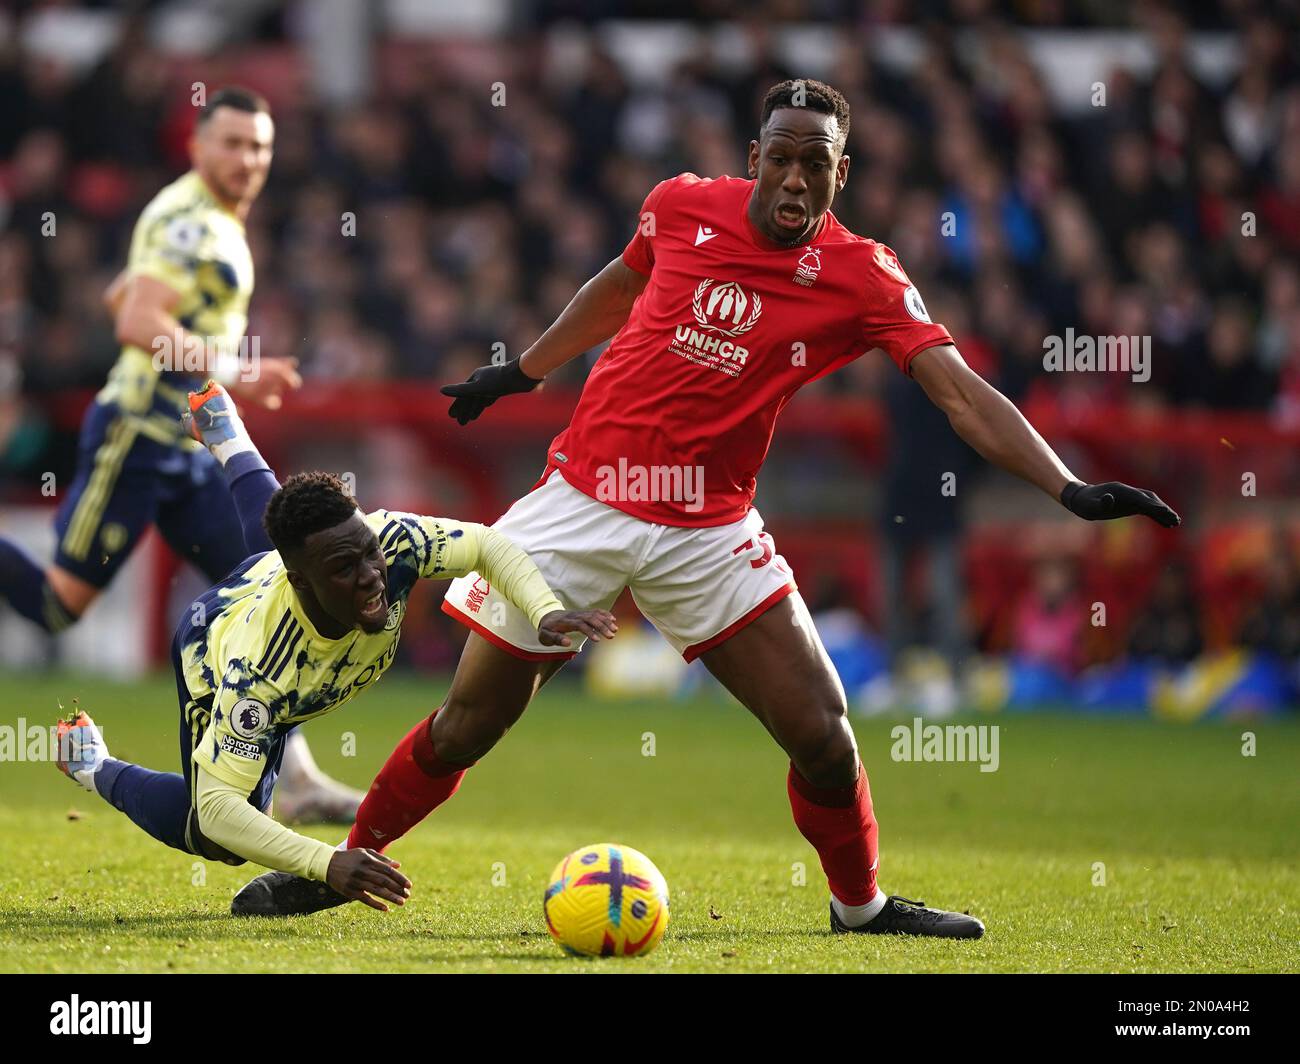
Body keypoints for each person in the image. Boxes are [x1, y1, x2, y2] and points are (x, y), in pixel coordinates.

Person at [238, 79, 1178, 937]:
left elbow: (961, 393)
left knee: (823, 731)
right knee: (465, 726)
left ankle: (862, 906)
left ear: (841, 173)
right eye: (783, 156)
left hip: (710, 527)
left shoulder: (865, 276)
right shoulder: (681, 205)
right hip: (580, 506)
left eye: (819, 162)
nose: (798, 178)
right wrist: (525, 368)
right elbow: (621, 280)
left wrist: (1066, 487)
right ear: (755, 156)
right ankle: (337, 866)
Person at [54, 382, 617, 910]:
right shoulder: (258, 674)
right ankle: (93, 765)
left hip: (286, 585)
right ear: (303, 583)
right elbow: (221, 811)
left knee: (293, 535)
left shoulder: (392, 543)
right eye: (348, 568)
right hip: (212, 635)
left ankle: (227, 434)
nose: (374, 576)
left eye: (368, 553)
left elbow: (489, 545)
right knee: (215, 838)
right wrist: (327, 863)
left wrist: (544, 609)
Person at [0, 86, 359, 820]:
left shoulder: (198, 219)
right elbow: (135, 319)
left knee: (270, 589)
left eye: (258, 146)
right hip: (138, 434)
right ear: (196, 146)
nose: (247, 159)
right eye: (231, 143)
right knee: (57, 606)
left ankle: (299, 782)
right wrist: (234, 372)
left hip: (189, 443)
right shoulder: (192, 221)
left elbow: (118, 295)